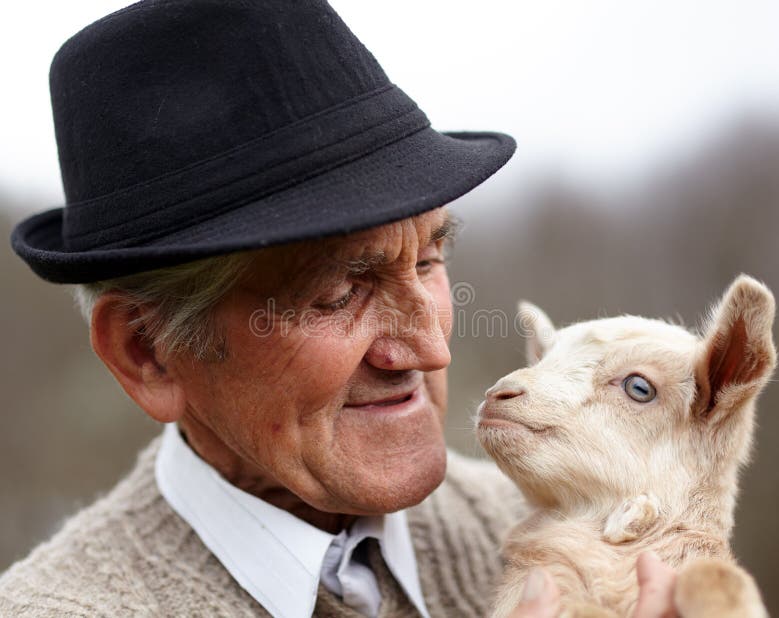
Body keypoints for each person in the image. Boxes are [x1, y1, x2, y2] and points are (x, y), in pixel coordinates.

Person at [2, 1, 677, 616]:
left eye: (428, 259)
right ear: (145, 352)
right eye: (338, 292)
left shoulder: (579, 537)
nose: (431, 348)